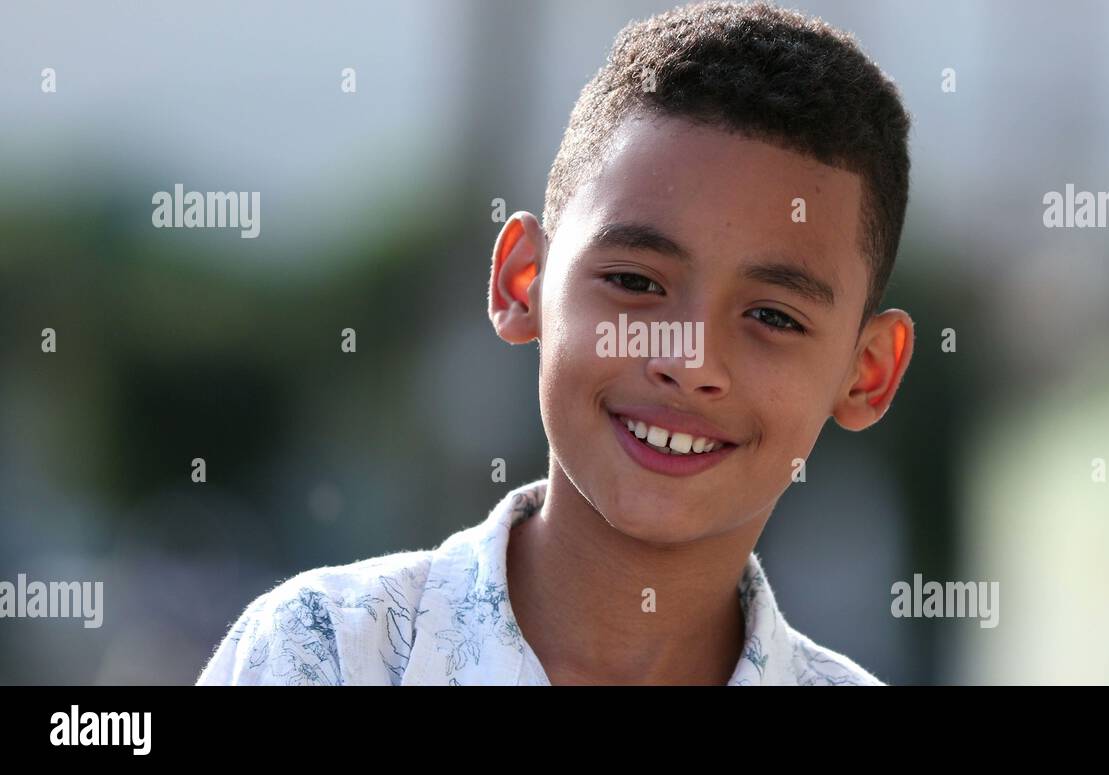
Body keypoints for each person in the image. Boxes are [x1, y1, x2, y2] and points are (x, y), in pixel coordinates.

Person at [198, 0, 914, 686]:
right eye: (635, 280)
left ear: (868, 373)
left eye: (774, 317)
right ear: (522, 282)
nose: (690, 360)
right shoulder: (318, 655)